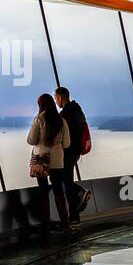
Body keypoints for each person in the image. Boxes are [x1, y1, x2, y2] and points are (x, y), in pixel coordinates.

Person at [27, 92, 73, 232]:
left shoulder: (38, 119)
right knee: (59, 190)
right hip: (57, 160)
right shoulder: (61, 120)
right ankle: (65, 223)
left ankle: (46, 223)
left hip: (41, 159)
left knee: (43, 191)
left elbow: (31, 140)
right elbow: (66, 144)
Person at [54, 86, 92, 224]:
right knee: (66, 181)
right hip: (76, 151)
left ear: (60, 97)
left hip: (68, 152)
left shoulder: (66, 114)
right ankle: (74, 217)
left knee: (66, 182)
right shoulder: (78, 110)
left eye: (55, 98)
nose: (55, 101)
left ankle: (79, 195)